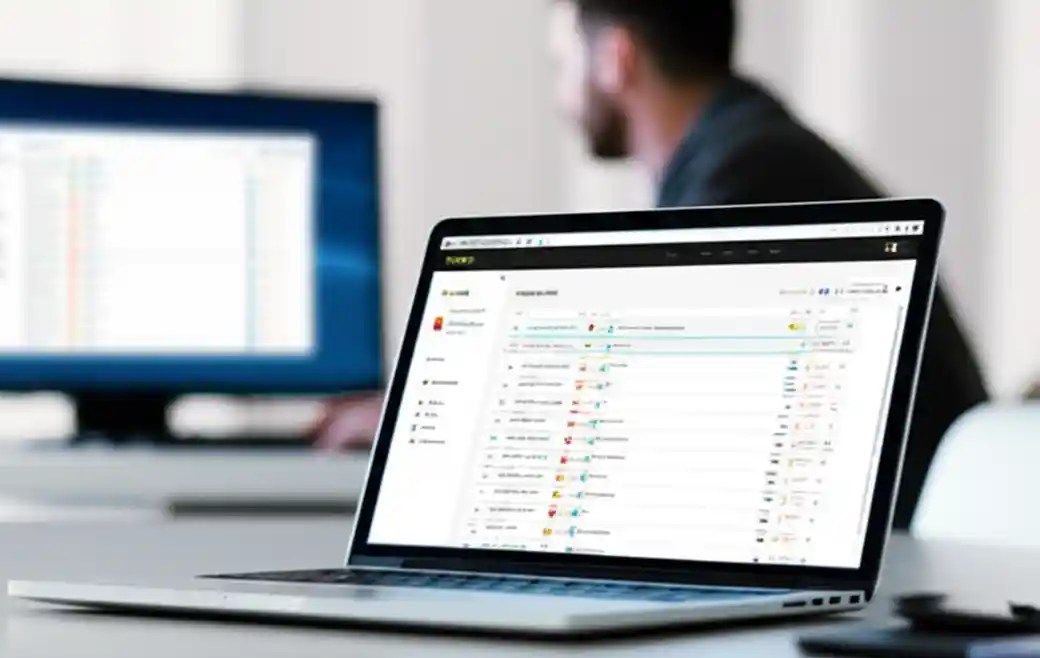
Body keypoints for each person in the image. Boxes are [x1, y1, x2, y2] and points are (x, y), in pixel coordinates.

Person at [315, 0, 987, 529]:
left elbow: (640, 406)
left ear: (617, 59)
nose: (561, 93)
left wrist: (431, 416)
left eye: (561, 64)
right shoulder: (749, 149)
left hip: (891, 557)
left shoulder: (747, 177)